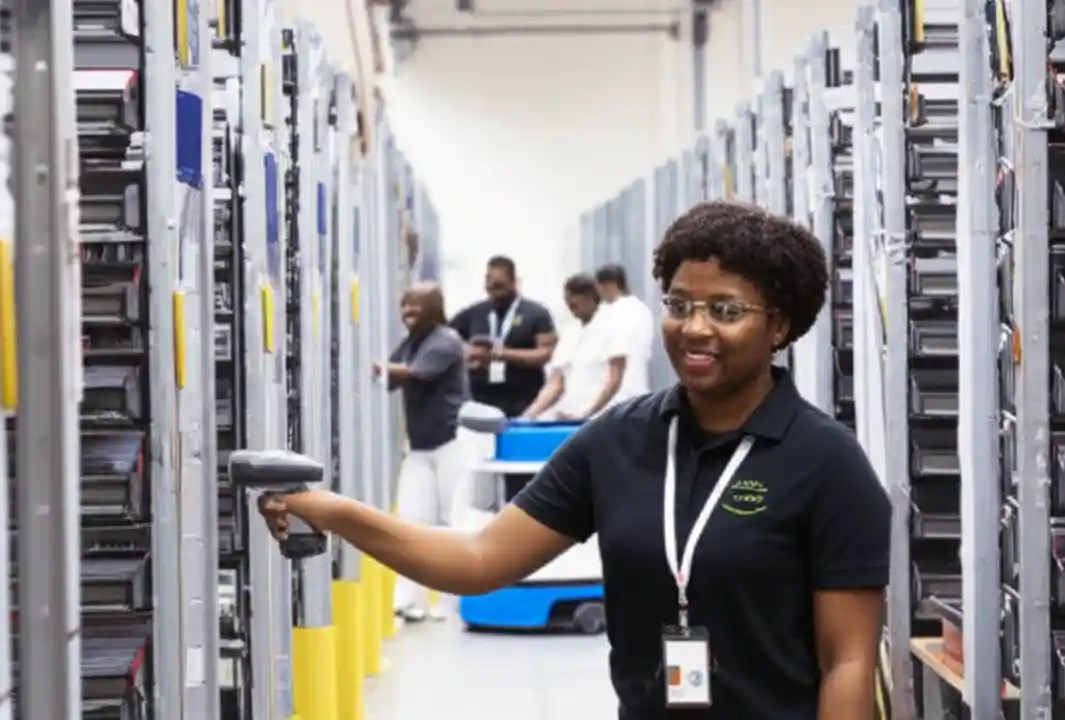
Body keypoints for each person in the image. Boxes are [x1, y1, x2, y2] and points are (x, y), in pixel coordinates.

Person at [261, 201, 892, 719]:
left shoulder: (827, 466)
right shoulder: (616, 441)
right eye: (678, 304)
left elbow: (848, 661)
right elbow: (480, 560)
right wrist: (338, 513)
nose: (695, 328)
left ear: (778, 325)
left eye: (725, 310)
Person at [376, 282, 470, 622]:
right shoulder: (413, 342)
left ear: (433, 308)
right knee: (412, 523)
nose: (407, 313)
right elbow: (390, 380)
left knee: (451, 523)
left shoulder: (446, 341)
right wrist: (382, 371)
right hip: (419, 449)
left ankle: (452, 602)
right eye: (404, 306)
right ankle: (407, 601)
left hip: (451, 444)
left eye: (415, 306)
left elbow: (417, 373)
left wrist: (378, 367)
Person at [450, 255, 557, 418]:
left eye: (499, 286)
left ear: (514, 282)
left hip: (524, 400)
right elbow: (446, 342)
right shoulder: (471, 314)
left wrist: (501, 354)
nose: (494, 292)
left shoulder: (536, 313)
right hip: (479, 403)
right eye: (490, 287)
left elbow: (546, 354)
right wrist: (468, 354)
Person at [520, 273, 629, 421]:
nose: (570, 308)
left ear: (589, 297)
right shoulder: (570, 333)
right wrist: (528, 416)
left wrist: (587, 414)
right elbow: (556, 383)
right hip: (571, 417)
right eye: (568, 304)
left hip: (604, 416)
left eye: (574, 304)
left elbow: (614, 378)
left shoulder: (613, 325)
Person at [595, 262, 656, 399]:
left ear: (607, 285)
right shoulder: (641, 309)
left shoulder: (617, 312)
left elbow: (617, 360)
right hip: (638, 390)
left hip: (618, 395)